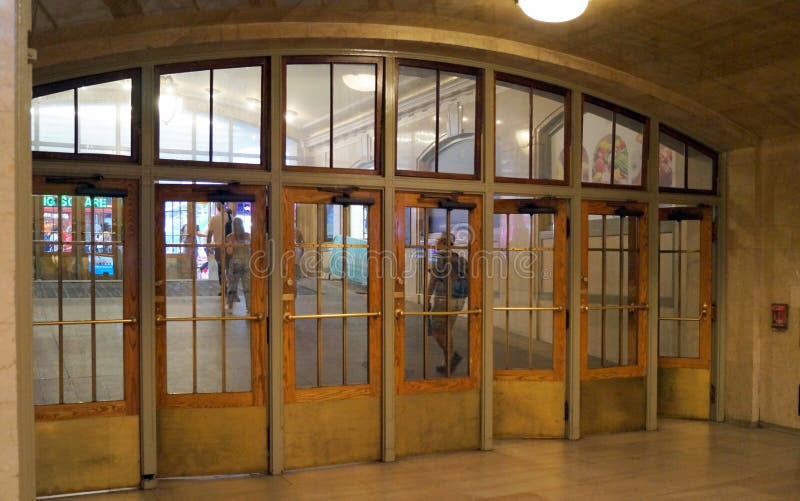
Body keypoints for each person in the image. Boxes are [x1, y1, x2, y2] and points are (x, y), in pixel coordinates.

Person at [427, 233, 469, 375]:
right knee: (447, 330)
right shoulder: (460, 259)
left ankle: (452, 356)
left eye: (438, 240)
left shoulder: (440, 257)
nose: (436, 243)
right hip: (459, 300)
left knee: (436, 331)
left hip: (444, 299)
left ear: (444, 242)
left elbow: (433, 280)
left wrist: (426, 299)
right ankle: (447, 364)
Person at [225, 217, 251, 312]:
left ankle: (230, 306)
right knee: (243, 287)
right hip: (244, 263)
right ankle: (248, 307)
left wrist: (231, 244)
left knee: (235, 286)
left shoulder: (231, 237)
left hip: (238, 263)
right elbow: (229, 252)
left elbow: (229, 252)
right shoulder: (247, 236)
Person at [205, 202, 231, 293]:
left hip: (219, 248)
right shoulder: (231, 218)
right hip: (231, 248)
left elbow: (209, 235)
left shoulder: (214, 219)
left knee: (221, 269)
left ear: (217, 207)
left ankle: (223, 288)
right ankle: (231, 289)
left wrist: (208, 246)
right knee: (229, 268)